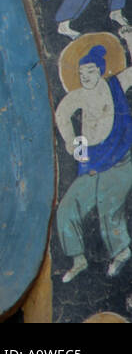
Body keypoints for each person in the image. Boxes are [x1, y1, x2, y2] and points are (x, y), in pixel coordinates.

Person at [53, 36, 132, 281]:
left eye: (89, 71)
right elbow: (62, 113)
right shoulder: (79, 96)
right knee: (66, 208)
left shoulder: (115, 84)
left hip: (121, 160)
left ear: (99, 70)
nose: (85, 76)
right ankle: (78, 259)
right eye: (80, 72)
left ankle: (121, 252)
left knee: (108, 204)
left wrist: (129, 39)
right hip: (94, 164)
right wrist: (71, 142)